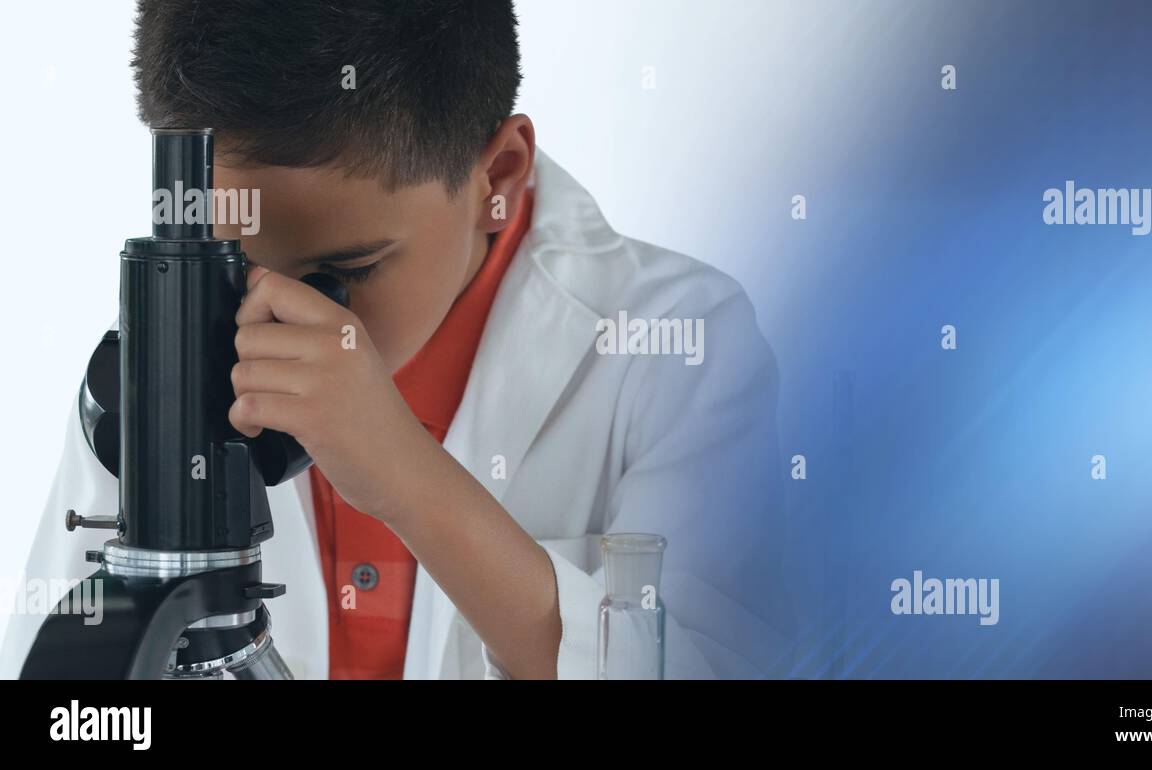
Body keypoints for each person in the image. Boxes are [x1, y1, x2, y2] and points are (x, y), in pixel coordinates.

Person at [0, 0, 787, 679]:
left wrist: (406, 477)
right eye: (234, 267)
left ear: (498, 178)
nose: (269, 320)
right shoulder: (165, 350)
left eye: (345, 271)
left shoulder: (681, 345)